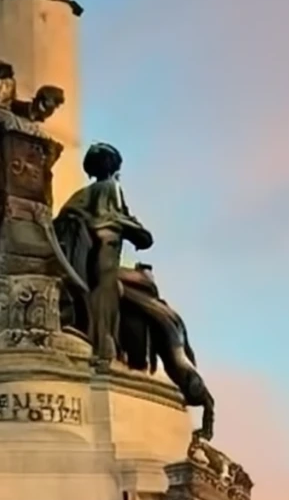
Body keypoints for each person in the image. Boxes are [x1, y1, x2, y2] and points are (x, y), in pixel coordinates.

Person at [55, 143, 215, 438]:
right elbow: (116, 219)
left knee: (119, 289)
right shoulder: (109, 187)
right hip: (104, 251)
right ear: (112, 167)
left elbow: (66, 224)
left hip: (84, 258)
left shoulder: (80, 196)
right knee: (107, 293)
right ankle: (105, 349)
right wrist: (138, 232)